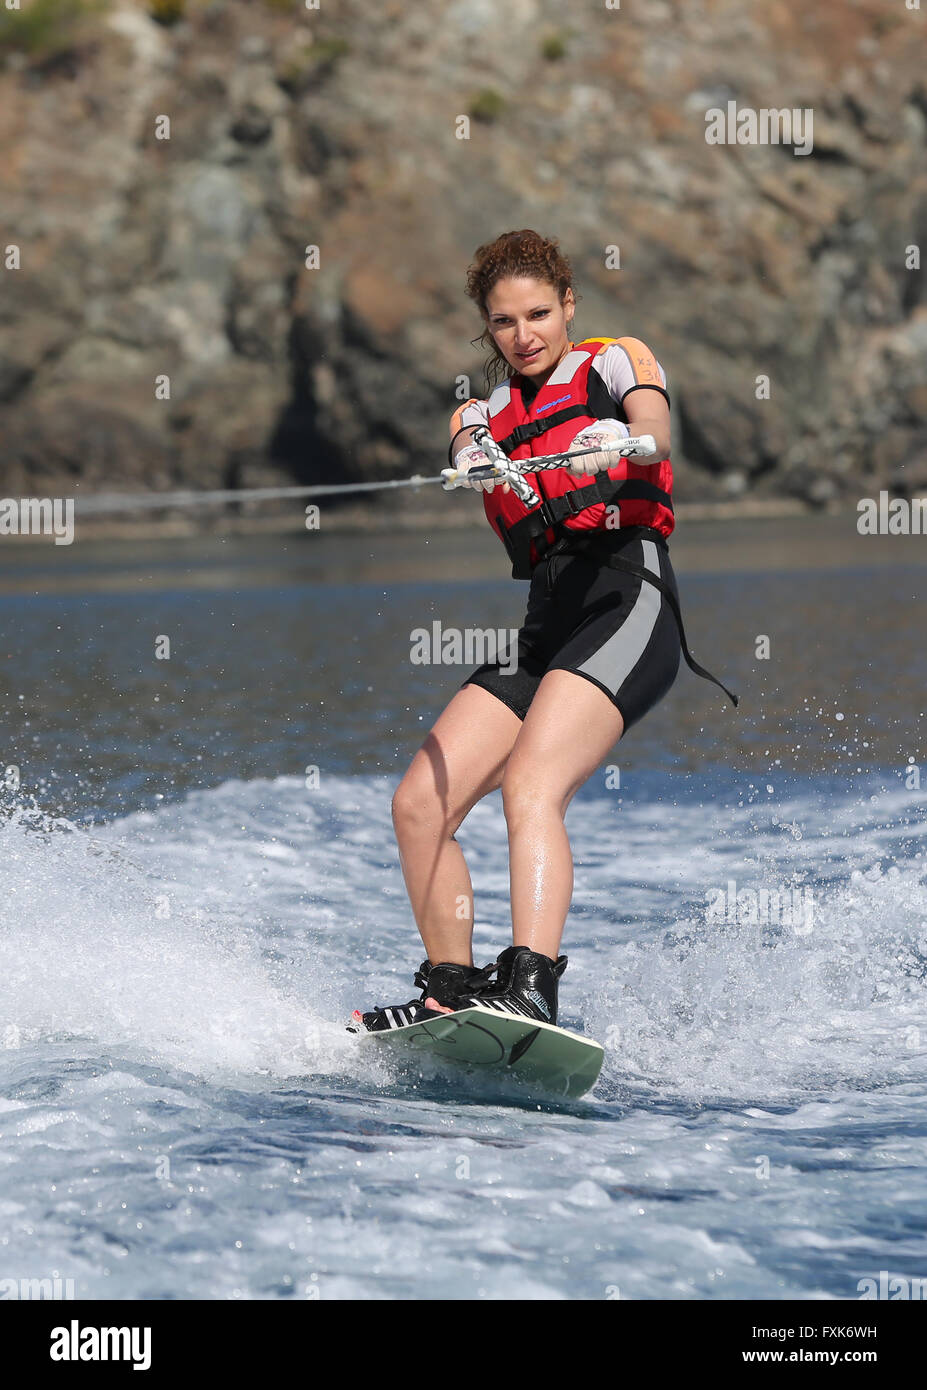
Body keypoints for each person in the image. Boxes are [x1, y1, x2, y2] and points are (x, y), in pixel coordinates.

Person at [354, 229, 735, 1034]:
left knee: (531, 785)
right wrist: (476, 456)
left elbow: (656, 430)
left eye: (537, 313)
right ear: (484, 328)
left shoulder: (613, 362)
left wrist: (615, 442)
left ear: (568, 305)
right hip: (547, 625)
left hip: (626, 604)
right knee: (420, 803)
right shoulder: (481, 411)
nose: (523, 335)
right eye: (502, 322)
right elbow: (466, 437)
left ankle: (530, 986)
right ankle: (448, 991)